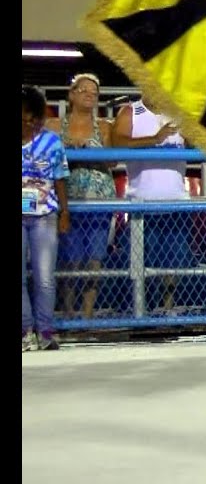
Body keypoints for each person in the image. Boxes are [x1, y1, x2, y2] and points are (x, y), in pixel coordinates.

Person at [113, 97, 188, 312]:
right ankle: (139, 311)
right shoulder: (131, 111)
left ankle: (167, 309)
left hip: (176, 202)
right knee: (140, 263)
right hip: (142, 205)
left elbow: (199, 143)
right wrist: (155, 139)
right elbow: (117, 142)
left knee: (172, 265)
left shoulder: (178, 112)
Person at [53, 73, 117, 319]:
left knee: (94, 260)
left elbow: (113, 160)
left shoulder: (104, 126)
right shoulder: (54, 126)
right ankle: (69, 314)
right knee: (71, 259)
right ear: (71, 94)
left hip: (99, 201)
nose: (90, 94)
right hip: (67, 201)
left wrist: (89, 152)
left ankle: (88, 316)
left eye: (95, 92)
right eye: (84, 90)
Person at [23, 86, 70, 351]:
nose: (30, 122)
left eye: (33, 117)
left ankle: (46, 331)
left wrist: (65, 211)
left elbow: (60, 179)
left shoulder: (51, 142)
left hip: (44, 216)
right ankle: (25, 331)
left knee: (44, 277)